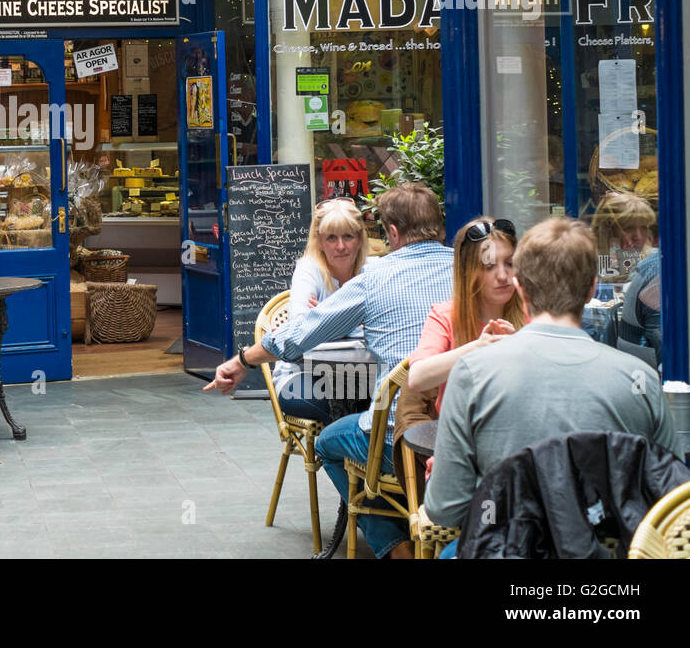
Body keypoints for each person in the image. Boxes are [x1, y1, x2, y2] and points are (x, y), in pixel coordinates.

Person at [206, 182, 454, 559]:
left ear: (390, 233)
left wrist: (241, 360)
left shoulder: (374, 278)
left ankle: (396, 547)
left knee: (328, 443)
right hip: (467, 431)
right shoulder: (469, 269)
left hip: (398, 440)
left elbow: (296, 336)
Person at [422, 217, 677, 545]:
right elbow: (669, 502)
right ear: (590, 289)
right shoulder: (639, 380)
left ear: (521, 287)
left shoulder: (472, 373)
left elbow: (445, 508)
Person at [399, 217, 525, 479]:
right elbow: (418, 377)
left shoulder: (530, 314)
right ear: (468, 271)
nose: (503, 275)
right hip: (465, 453)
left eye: (509, 263)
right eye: (489, 266)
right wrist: (476, 348)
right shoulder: (445, 316)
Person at [273, 199, 369, 425]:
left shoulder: (372, 269)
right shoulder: (309, 269)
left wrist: (325, 318)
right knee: (345, 409)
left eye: (348, 236)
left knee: (388, 397)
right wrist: (357, 322)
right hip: (302, 373)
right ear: (320, 241)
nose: (341, 246)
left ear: (360, 239)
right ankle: (344, 452)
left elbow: (387, 326)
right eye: (331, 238)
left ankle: (352, 455)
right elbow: (299, 331)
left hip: (363, 373)